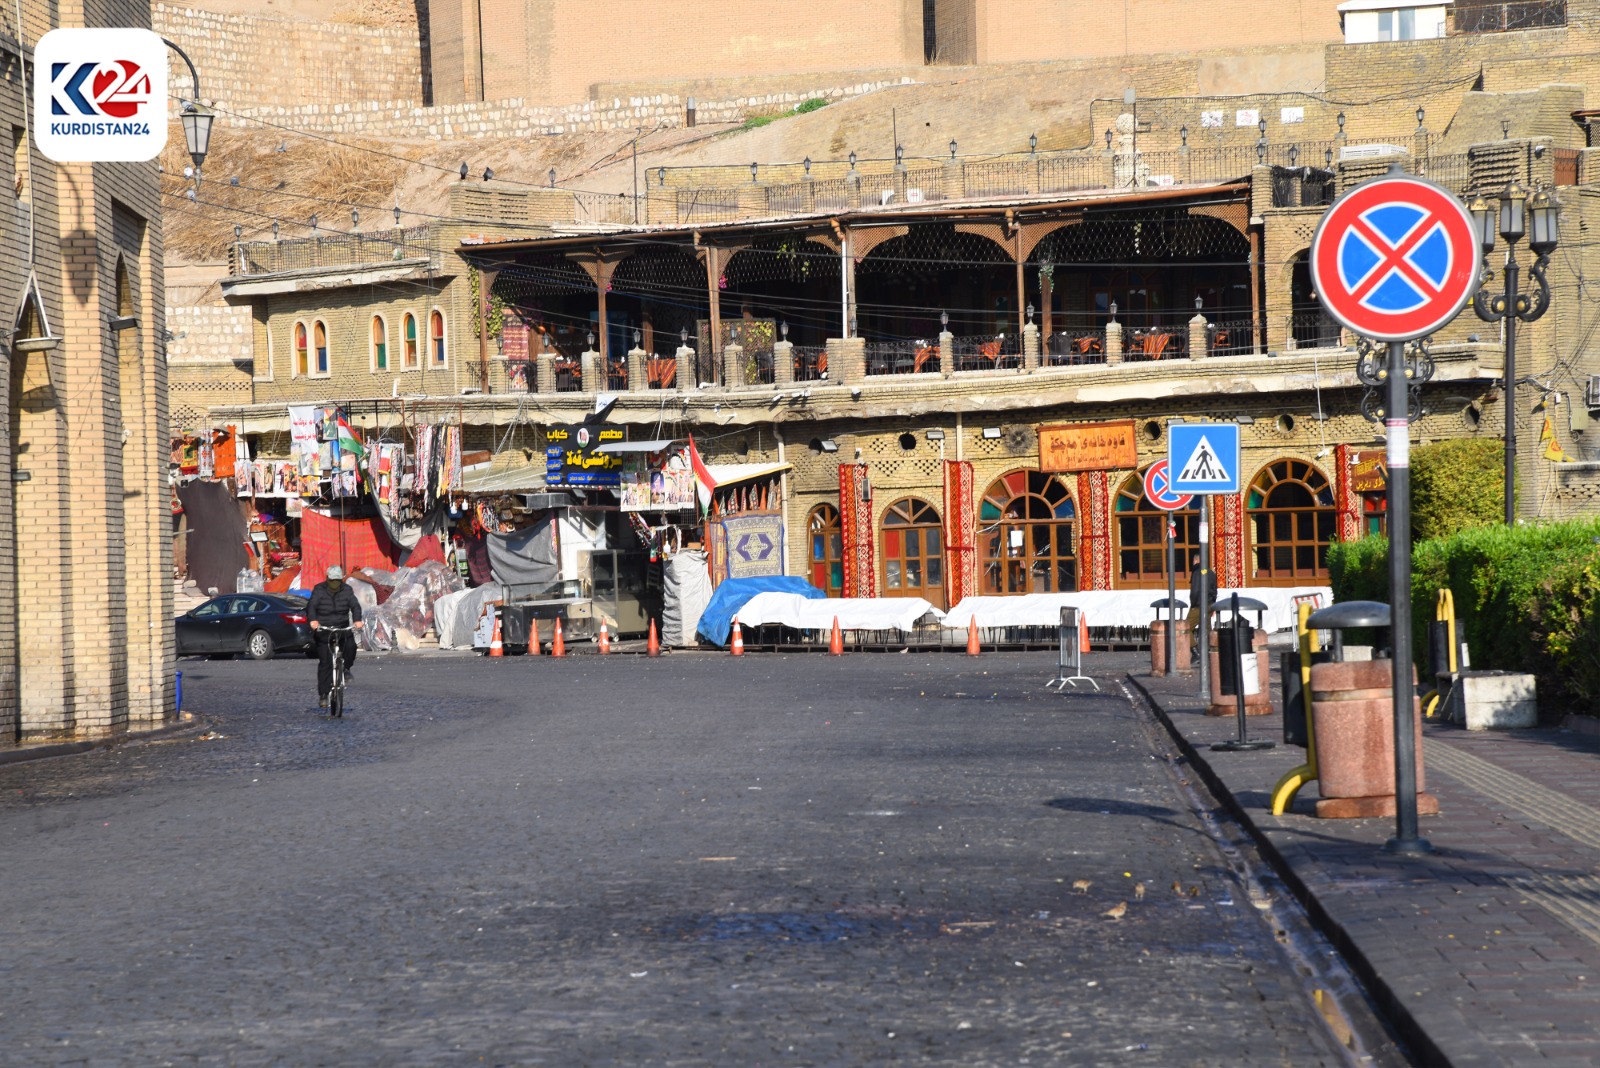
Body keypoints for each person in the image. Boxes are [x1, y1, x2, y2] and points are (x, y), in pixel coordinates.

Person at [308, 565, 364, 708]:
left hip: (342, 626)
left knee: (351, 646)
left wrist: (357, 620)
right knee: (325, 662)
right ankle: (323, 695)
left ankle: (346, 669)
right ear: (327, 579)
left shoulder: (346, 590)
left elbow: (355, 606)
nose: (335, 583)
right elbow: (311, 607)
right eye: (332, 580)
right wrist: (313, 620)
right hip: (324, 629)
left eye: (337, 580)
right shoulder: (319, 590)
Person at [1187, 553, 1216, 632]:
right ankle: (1210, 644)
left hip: (1198, 605)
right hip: (1209, 604)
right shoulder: (1211, 573)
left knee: (1185, 629)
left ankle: (1193, 644)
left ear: (1196, 560)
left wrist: (1193, 605)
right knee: (1207, 629)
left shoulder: (1196, 572)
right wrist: (1213, 605)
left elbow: (1195, 591)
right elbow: (1214, 591)